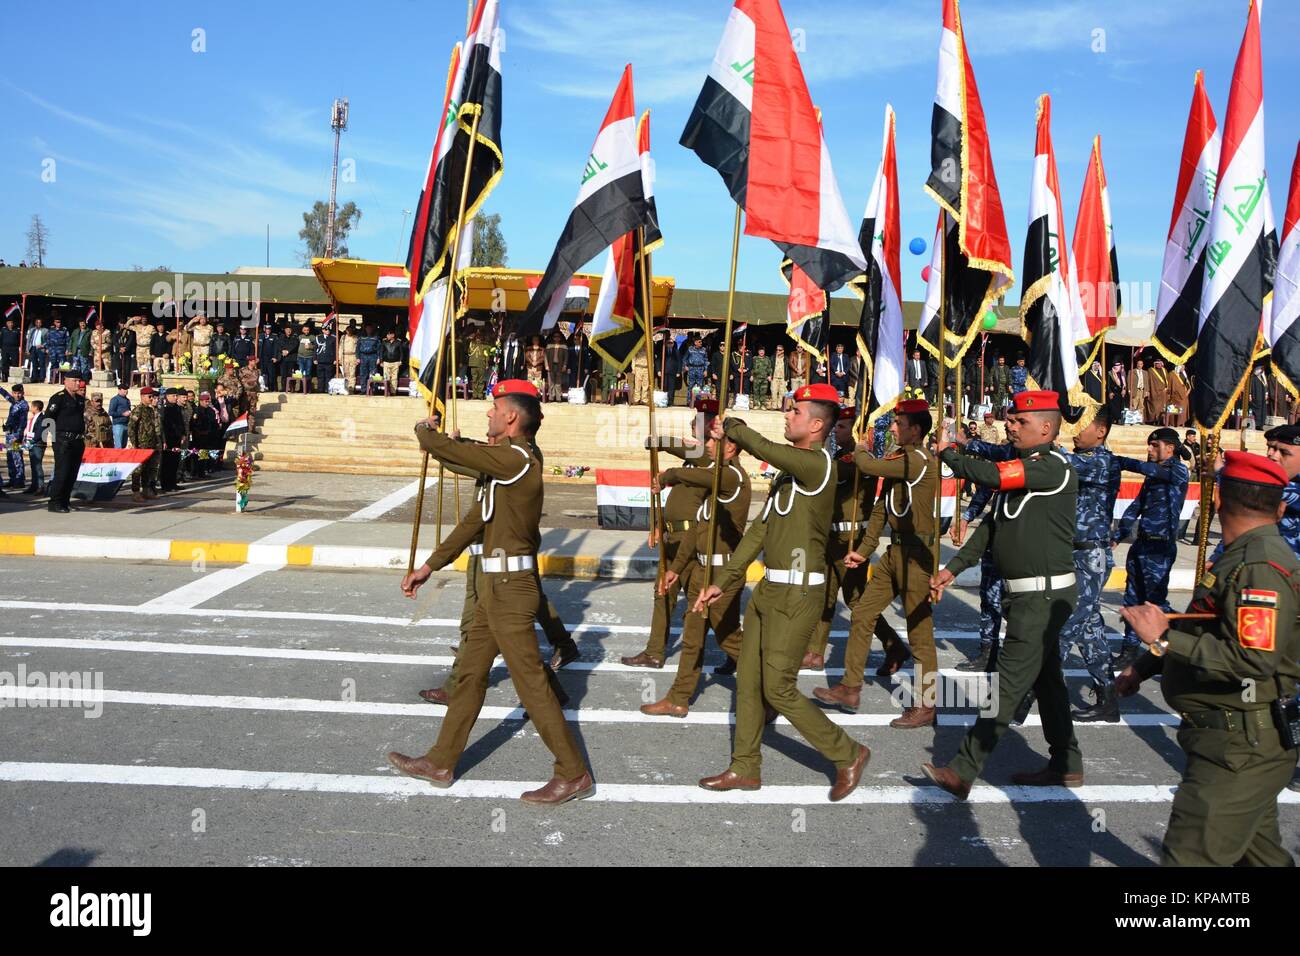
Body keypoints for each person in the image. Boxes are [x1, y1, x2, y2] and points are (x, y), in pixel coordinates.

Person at [389, 379, 594, 804]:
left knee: (531, 683)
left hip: (512, 588)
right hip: (492, 586)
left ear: (512, 418)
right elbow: (473, 523)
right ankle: (441, 760)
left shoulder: (518, 459)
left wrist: (426, 431)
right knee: (469, 674)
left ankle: (572, 773)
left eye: (494, 408)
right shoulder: (503, 464)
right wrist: (430, 566)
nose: (488, 414)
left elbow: (449, 451)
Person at [1118, 452, 1299, 865]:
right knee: (1262, 858)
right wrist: (1147, 664)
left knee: (1190, 859)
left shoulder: (1259, 566)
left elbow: (1253, 661)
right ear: (1280, 507)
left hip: (1240, 747)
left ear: (1216, 501)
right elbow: (1206, 625)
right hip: (1237, 741)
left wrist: (1164, 641)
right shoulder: (1242, 555)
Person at [694, 383, 871, 800]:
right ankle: (745, 767)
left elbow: (763, 447)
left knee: (779, 688)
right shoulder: (790, 477)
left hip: (799, 595)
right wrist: (722, 583)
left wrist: (733, 426)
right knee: (749, 683)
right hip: (770, 590)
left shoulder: (819, 466)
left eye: (794, 412)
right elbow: (759, 532)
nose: (786, 416)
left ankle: (848, 753)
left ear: (815, 424)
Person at [923, 390, 1082, 800]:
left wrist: (949, 454)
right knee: (1047, 681)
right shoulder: (1025, 469)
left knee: (1007, 683)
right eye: (1010, 420)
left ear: (1046, 428)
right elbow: (990, 531)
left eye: (1020, 422)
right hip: (1027, 596)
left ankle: (962, 770)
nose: (1010, 425)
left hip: (1043, 598)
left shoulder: (1052, 468)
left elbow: (991, 476)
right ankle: (1068, 762)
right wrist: (950, 569)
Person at [813, 399, 940, 727]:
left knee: (920, 633)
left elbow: (868, 467)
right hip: (894, 553)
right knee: (862, 612)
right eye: (894, 423)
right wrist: (865, 550)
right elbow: (882, 511)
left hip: (918, 557)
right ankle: (850, 687)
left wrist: (861, 447)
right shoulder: (900, 459)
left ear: (916, 429)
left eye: (899, 424)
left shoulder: (920, 461)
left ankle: (926, 705)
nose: (894, 428)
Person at [640, 418, 751, 717]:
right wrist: (676, 567)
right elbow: (695, 531)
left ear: (731, 446)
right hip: (702, 571)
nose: (708, 446)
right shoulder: (714, 481)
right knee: (692, 639)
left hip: (722, 574)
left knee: (731, 640)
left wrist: (670, 476)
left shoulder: (733, 478)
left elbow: (691, 474)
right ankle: (678, 698)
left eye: (715, 441)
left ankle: (773, 692)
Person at [622, 398, 719, 669]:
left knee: (699, 604)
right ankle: (654, 652)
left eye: (697, 419)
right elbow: (677, 499)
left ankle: (736, 651)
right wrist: (658, 525)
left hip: (693, 540)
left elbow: (688, 452)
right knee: (663, 592)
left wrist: (661, 440)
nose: (692, 423)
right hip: (672, 536)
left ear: (711, 425)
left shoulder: (712, 456)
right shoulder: (692, 461)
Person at [802, 405, 896, 671]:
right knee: (824, 596)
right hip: (831, 536)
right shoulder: (840, 455)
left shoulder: (856, 458)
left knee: (856, 601)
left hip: (852, 538)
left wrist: (815, 451)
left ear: (854, 430)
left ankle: (894, 647)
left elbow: (832, 474)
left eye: (842, 427)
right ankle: (815, 652)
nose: (836, 430)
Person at [1113, 427, 1189, 670]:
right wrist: (1120, 534)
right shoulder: (1155, 474)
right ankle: (1129, 649)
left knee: (1155, 603)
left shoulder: (1176, 470)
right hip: (1142, 542)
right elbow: (1137, 505)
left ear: (1170, 448)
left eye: (1155, 446)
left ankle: (1172, 648)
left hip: (1160, 546)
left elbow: (1149, 469)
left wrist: (1119, 461)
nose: (1149, 449)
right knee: (1133, 598)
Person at [43, 370, 89, 513]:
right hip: (63, 440)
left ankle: (65, 501)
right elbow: (48, 419)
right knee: (62, 472)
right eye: (74, 380)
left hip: (77, 440)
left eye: (79, 381)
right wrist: (50, 439)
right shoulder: (59, 398)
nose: (78, 383)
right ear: (66, 381)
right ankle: (55, 502)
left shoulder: (80, 399)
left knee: (72, 473)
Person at [128, 386, 162, 502]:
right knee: (138, 469)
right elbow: (131, 427)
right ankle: (136, 491)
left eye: (152, 396)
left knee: (148, 468)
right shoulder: (138, 410)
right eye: (149, 396)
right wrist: (134, 443)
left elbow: (154, 427)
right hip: (141, 445)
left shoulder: (150, 410)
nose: (152, 398)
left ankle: (146, 489)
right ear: (142, 397)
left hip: (150, 444)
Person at [1, 384, 29, 488]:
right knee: (10, 457)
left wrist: (18, 435)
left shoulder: (23, 405)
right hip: (10, 434)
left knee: (17, 457)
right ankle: (12, 479)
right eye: (15, 393)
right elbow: (6, 395)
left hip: (16, 434)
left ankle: (19, 480)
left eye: (19, 393)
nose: (17, 395)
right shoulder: (14, 402)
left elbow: (23, 422)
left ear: (23, 393)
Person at [160, 388, 186, 492]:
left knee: (175, 462)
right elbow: (163, 426)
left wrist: (183, 434)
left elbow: (181, 422)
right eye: (174, 396)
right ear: (168, 396)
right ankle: (165, 484)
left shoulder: (177, 408)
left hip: (177, 438)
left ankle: (173, 483)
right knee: (167, 462)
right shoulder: (164, 408)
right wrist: (164, 440)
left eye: (176, 396)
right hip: (168, 439)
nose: (176, 398)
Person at [25, 400, 49, 495]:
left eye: (32, 406)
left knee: (37, 466)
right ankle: (33, 486)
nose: (31, 408)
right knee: (33, 466)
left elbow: (40, 433)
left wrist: (31, 441)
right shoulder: (34, 418)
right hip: (32, 444)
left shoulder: (42, 418)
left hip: (38, 444)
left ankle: (40, 487)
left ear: (36, 407)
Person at [544, 331, 568, 402]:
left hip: (559, 365)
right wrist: (546, 365)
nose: (556, 338)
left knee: (558, 382)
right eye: (555, 337)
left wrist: (564, 365)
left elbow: (566, 357)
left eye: (558, 337)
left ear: (560, 338)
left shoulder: (564, 346)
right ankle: (551, 397)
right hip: (551, 365)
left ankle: (558, 397)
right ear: (553, 338)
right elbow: (545, 356)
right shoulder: (549, 345)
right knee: (551, 382)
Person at [379, 330, 405, 395]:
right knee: (386, 377)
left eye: (388, 334)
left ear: (393, 335)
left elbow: (401, 353)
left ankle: (393, 391)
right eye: (387, 334)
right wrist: (381, 361)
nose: (387, 336)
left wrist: (400, 361)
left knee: (394, 378)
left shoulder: (398, 342)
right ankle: (387, 391)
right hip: (386, 363)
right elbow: (381, 352)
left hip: (395, 363)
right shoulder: (384, 342)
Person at [114, 320, 137, 386]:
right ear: (119, 323)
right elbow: (114, 340)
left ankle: (127, 382)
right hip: (119, 351)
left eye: (124, 323)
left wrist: (125, 348)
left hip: (127, 352)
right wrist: (119, 347)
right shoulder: (117, 331)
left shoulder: (130, 332)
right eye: (121, 323)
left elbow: (131, 340)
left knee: (127, 367)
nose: (123, 324)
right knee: (119, 367)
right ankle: (121, 380)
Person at [467, 330, 488, 399]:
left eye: (480, 338)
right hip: (473, 364)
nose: (478, 339)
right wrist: (470, 337)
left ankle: (480, 395)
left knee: (481, 381)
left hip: (481, 365)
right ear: (475, 338)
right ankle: (474, 395)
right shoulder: (471, 345)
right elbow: (468, 350)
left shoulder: (484, 346)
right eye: (477, 338)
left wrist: (487, 364)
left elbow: (487, 356)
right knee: (474, 380)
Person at [990, 354, 1012, 419]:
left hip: (1005, 387)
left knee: (1003, 402)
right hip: (997, 386)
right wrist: (991, 385)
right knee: (996, 402)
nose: (1002, 361)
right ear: (998, 361)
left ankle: (1001, 416)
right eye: (1000, 360)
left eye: (1003, 360)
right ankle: (993, 416)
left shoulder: (1007, 367)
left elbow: (1009, 377)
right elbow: (991, 377)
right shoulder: (994, 367)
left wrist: (1010, 385)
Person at [25, 318, 47, 382]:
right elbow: (29, 340)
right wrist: (27, 349)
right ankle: (34, 378)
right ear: (35, 323)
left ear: (41, 324)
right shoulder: (32, 330)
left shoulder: (45, 330)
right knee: (34, 363)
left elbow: (48, 340)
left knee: (42, 364)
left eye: (40, 322)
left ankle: (42, 378)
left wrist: (43, 345)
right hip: (33, 348)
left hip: (41, 348)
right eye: (37, 322)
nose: (38, 324)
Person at [751, 346, 773, 410]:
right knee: (756, 392)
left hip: (764, 378)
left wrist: (770, 375)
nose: (761, 352)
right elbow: (752, 368)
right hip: (756, 378)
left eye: (762, 351)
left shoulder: (767, 359)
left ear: (764, 352)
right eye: (760, 351)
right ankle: (756, 405)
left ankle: (763, 405)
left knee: (763, 392)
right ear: (758, 352)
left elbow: (769, 368)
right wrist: (751, 375)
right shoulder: (754, 359)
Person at [770, 343, 789, 410]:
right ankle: (774, 406)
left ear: (783, 351)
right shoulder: (772, 357)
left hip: (783, 378)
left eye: (780, 350)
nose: (778, 351)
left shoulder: (786, 358)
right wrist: (769, 375)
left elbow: (787, 368)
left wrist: (787, 378)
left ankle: (780, 406)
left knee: (782, 392)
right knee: (774, 391)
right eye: (777, 350)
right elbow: (770, 367)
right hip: (774, 377)